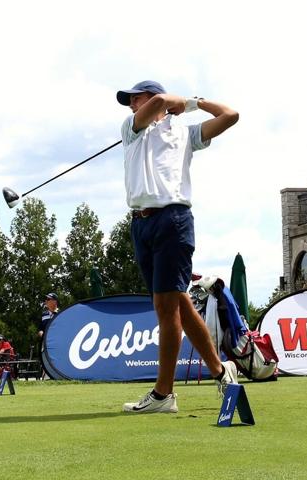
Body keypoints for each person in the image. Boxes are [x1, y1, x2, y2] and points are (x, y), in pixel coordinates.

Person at [116, 79, 240, 414]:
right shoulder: (132, 127)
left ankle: (163, 394)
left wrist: (194, 103)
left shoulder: (185, 134)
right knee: (178, 302)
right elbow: (157, 105)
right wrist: (174, 103)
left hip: (173, 219)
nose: (131, 104)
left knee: (166, 307)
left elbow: (230, 115)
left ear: (151, 96)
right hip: (141, 224)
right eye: (129, 101)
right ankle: (219, 369)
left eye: (135, 98)